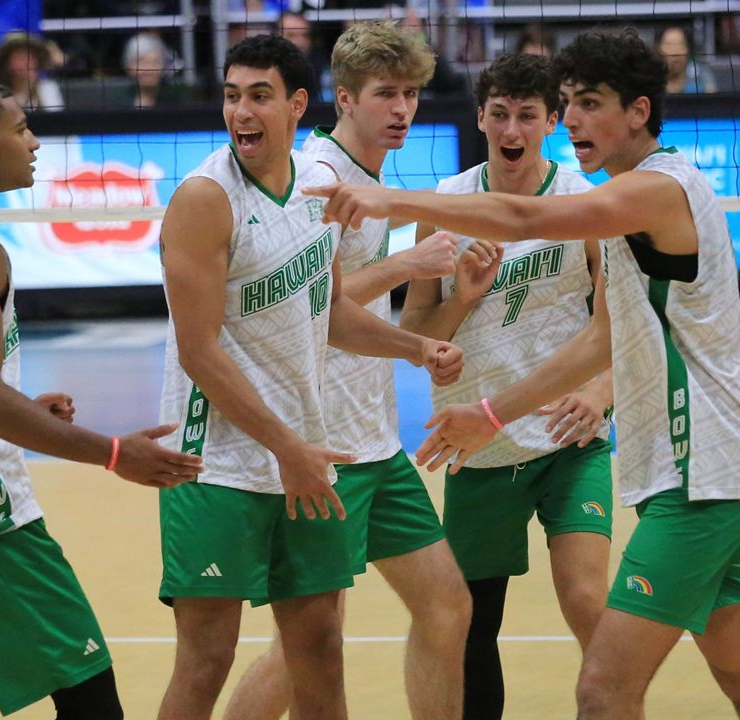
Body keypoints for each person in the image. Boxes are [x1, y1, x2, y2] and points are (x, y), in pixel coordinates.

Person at [307, 28, 740, 720]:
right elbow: (603, 337)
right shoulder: (633, 192)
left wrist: (395, 203)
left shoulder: (655, 191)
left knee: (602, 689)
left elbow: (522, 214)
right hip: (681, 471)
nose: (569, 118)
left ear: (637, 111)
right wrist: (490, 413)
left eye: (587, 103)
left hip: (700, 479)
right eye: (567, 102)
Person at [0, 79, 203, 720]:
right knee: (91, 696)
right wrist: (112, 453)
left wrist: (17, 409)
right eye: (20, 129)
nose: (34, 141)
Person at [154, 34, 465, 720]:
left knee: (320, 646)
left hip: (304, 455)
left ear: (296, 104)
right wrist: (286, 449)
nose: (241, 110)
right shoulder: (204, 199)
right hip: (218, 465)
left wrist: (414, 348)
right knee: (207, 658)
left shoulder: (320, 193)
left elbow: (329, 315)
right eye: (232, 95)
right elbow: (199, 353)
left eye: (258, 95)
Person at [398, 52, 614, 720]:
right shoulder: (445, 205)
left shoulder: (585, 202)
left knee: (586, 598)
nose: (511, 128)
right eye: (499, 114)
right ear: (480, 117)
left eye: (527, 114)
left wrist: (599, 395)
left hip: (567, 440)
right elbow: (416, 335)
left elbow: (621, 324)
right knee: (470, 622)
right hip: (480, 449)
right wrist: (462, 297)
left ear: (552, 121)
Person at [0, 32, 65, 111]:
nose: (27, 62)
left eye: (31, 56)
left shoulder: (47, 88)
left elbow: (56, 121)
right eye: (20, 57)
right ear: (6, 63)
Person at [120, 32, 189, 108]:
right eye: (142, 63)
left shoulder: (178, 101)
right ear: (129, 66)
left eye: (155, 62)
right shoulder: (118, 101)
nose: (149, 70)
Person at [277, 11, 332, 102]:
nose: (301, 42)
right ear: (276, 36)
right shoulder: (263, 69)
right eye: (292, 35)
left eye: (305, 36)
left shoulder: (321, 68)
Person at [656, 26, 717, 93]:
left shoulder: (702, 76)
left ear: (688, 49)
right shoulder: (651, 79)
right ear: (658, 49)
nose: (675, 51)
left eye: (680, 45)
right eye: (669, 44)